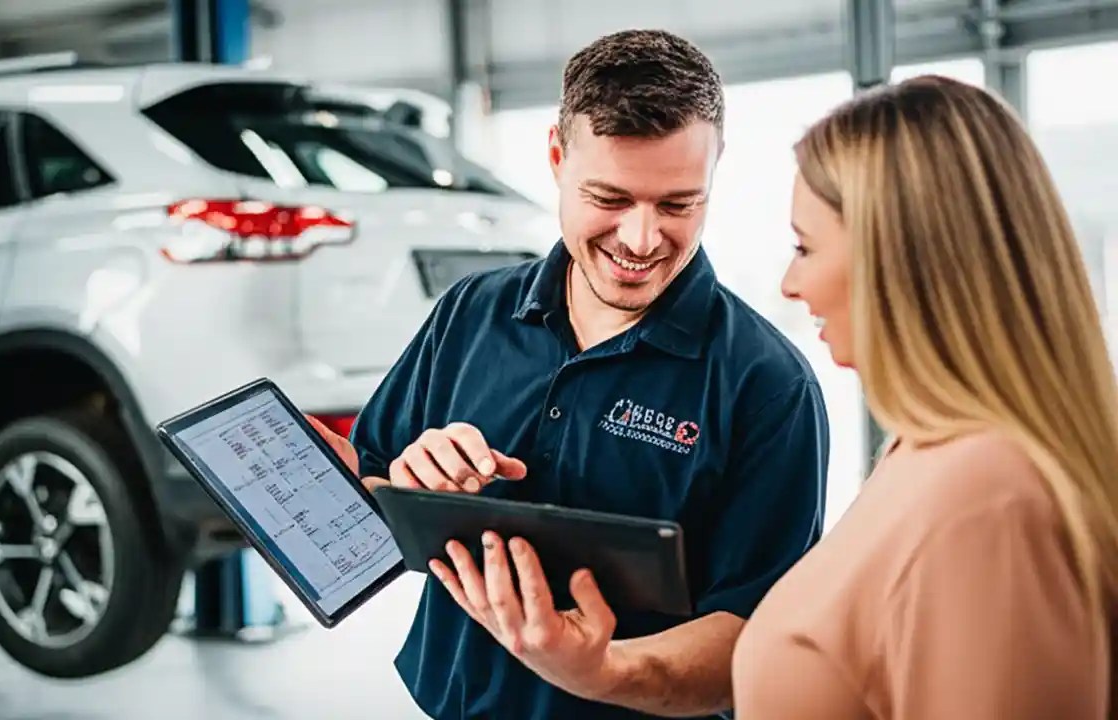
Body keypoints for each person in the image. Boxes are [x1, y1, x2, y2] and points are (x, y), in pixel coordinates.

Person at [310, 29, 829, 719]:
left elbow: (755, 639)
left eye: (678, 204)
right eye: (610, 197)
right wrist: (407, 478)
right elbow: (373, 487)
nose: (642, 240)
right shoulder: (473, 312)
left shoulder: (768, 386)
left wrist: (604, 672)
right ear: (557, 155)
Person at [731, 74, 1118, 718]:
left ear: (899, 259)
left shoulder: (987, 500)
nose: (789, 283)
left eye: (805, 248)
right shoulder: (920, 453)